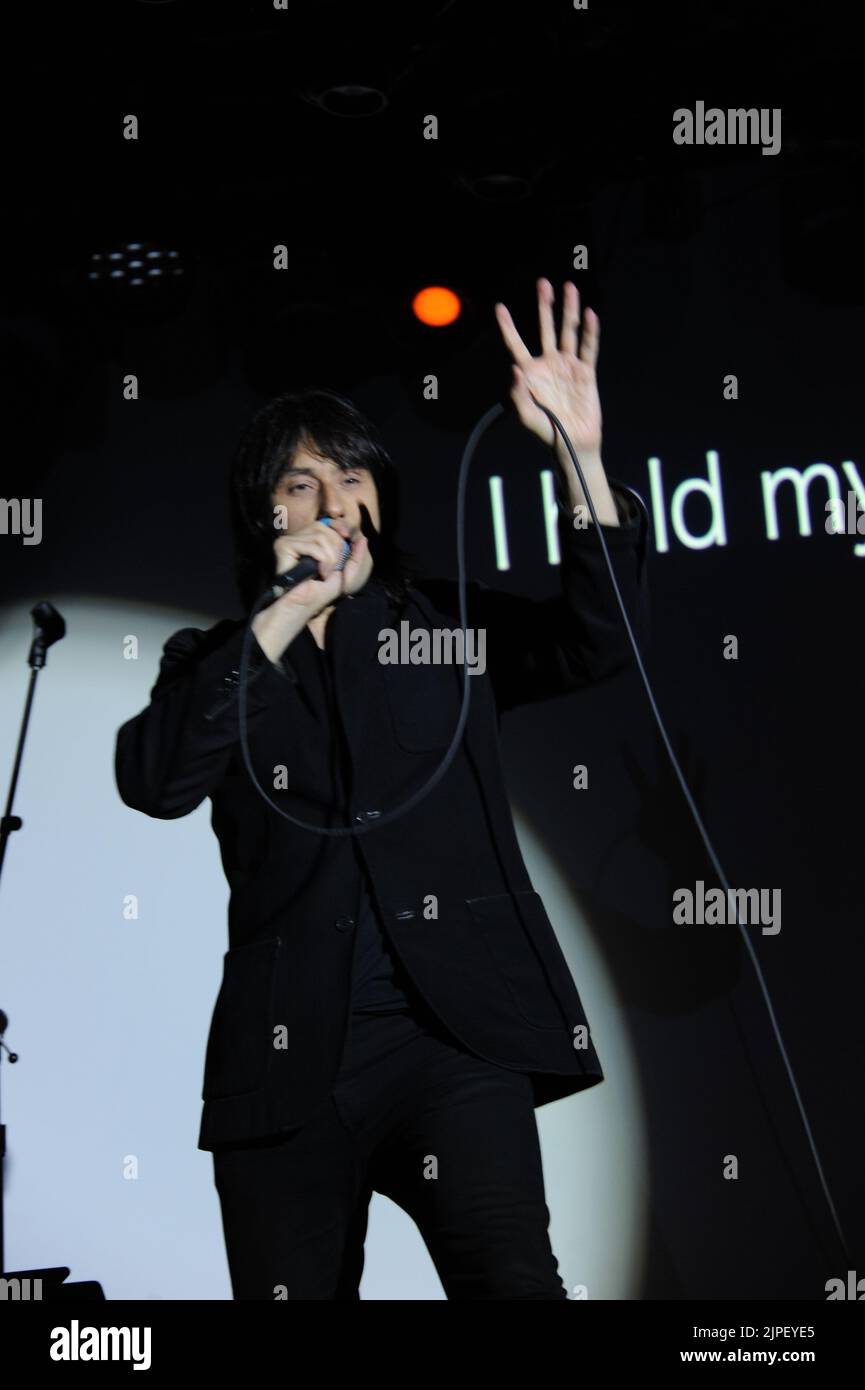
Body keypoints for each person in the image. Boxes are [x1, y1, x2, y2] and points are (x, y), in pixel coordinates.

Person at [114, 277, 649, 1299]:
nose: (335, 499)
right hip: (288, 1065)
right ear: (263, 511)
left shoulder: (439, 626)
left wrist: (580, 457)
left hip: (452, 1039)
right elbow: (155, 779)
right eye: (303, 481)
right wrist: (277, 613)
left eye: (353, 475)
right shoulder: (215, 658)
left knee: (514, 1280)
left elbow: (599, 638)